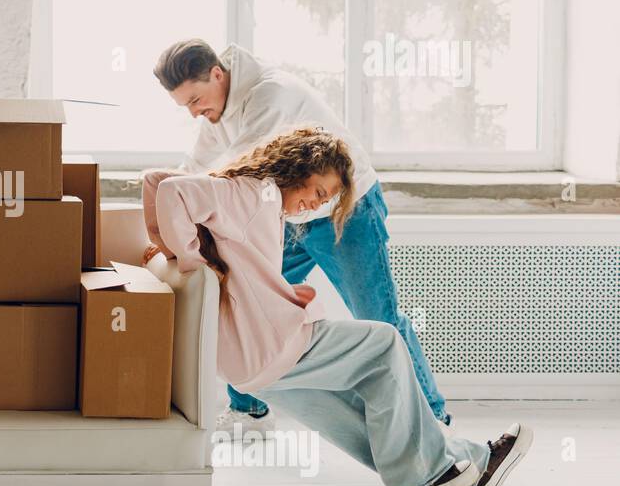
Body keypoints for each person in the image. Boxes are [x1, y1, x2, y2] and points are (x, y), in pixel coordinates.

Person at [142, 128, 532, 486]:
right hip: (271, 349)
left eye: (323, 202)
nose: (314, 205)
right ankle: (418, 482)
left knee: (359, 415)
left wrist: (281, 292)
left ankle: (471, 465)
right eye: (319, 192)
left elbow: (233, 260)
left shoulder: (263, 203)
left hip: (247, 368)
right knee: (384, 344)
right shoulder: (254, 193)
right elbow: (165, 187)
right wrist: (191, 260)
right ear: (301, 166)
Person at [151, 38, 451, 435]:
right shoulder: (217, 113)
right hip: (292, 214)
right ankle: (249, 410)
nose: (194, 112)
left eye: (195, 100)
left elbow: (236, 174)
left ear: (217, 75)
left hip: (345, 210)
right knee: (246, 301)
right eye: (185, 106)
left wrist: (185, 220)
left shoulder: (269, 95)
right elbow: (196, 166)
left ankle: (432, 419)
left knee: (378, 315)